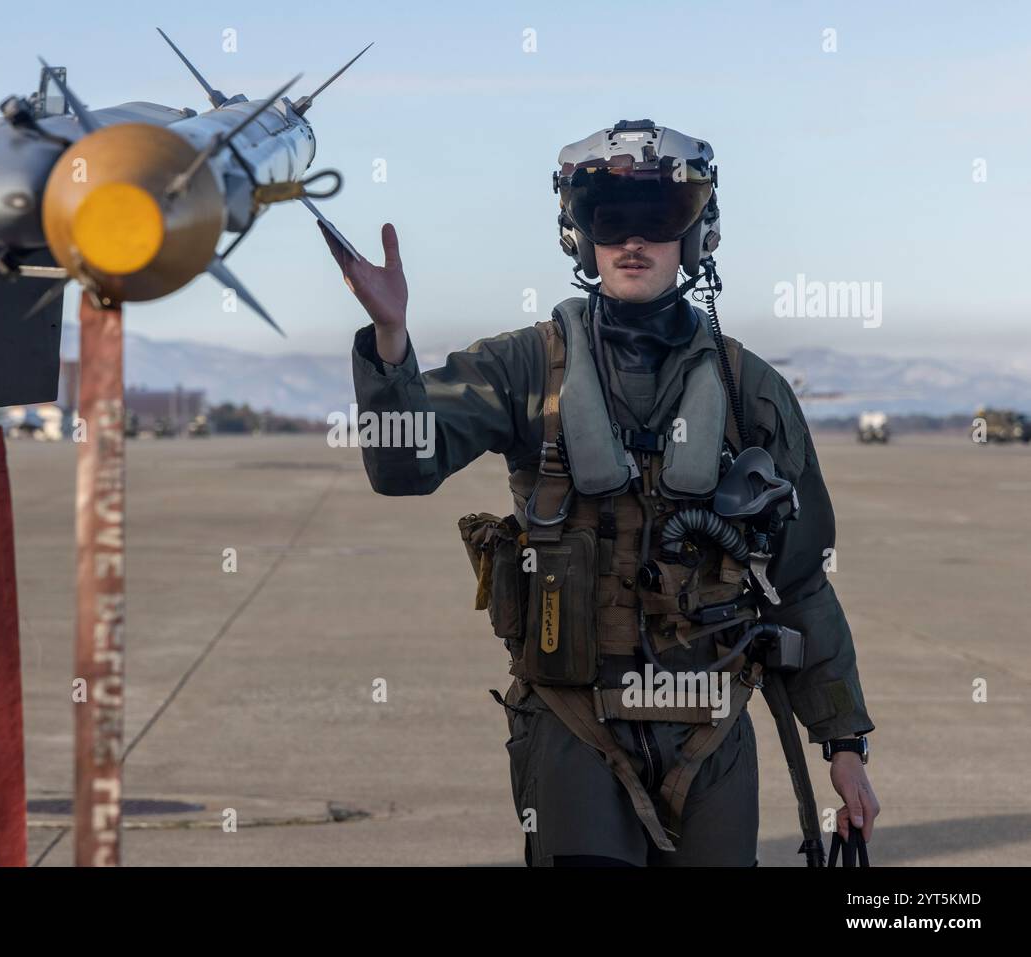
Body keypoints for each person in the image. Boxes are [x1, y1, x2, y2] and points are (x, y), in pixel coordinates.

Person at [319, 120, 879, 867]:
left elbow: (800, 576)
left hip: (709, 727)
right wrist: (391, 341)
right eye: (609, 220)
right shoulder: (525, 367)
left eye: (659, 219)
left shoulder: (751, 392)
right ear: (579, 235)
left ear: (697, 233)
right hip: (576, 724)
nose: (632, 241)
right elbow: (400, 466)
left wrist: (843, 744)